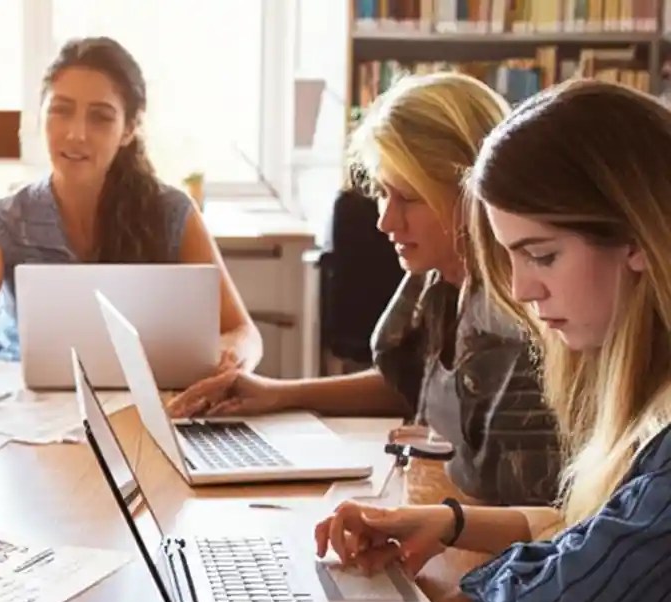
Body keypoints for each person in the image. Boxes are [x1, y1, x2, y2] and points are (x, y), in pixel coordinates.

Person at [315, 79, 671, 602]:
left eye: (543, 255)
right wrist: (451, 524)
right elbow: (592, 527)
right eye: (510, 257)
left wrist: (495, 566)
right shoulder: (639, 389)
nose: (521, 290)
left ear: (638, 238)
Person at [170, 73, 560, 506]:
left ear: (474, 191)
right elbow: (409, 384)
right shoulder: (443, 276)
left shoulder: (520, 322)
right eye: (381, 192)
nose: (385, 221)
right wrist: (276, 393)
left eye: (408, 198)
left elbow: (525, 511)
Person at [0, 36, 262, 374]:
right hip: (26, 415)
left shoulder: (172, 215)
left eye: (101, 117)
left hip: (147, 411)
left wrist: (232, 354)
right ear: (41, 117)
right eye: (61, 111)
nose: (76, 134)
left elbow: (244, 334)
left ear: (129, 129)